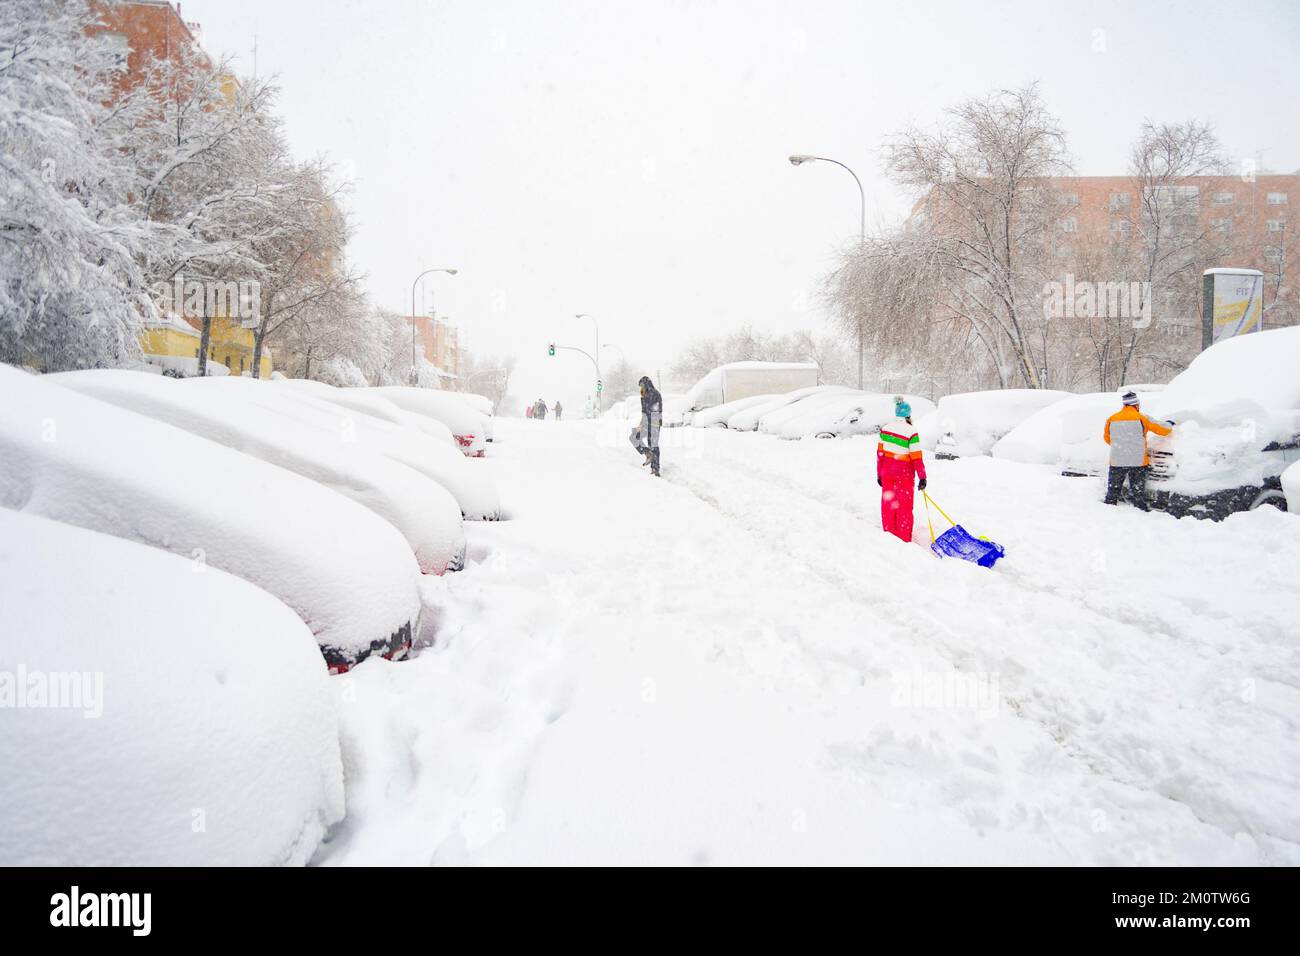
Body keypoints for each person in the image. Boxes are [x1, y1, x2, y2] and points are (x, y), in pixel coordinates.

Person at [1103, 390, 1173, 511]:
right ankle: (1139, 509)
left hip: (1117, 461)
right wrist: (1169, 424)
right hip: (1138, 461)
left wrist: (1121, 446)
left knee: (1112, 492)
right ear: (1136, 405)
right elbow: (1163, 430)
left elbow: (1107, 439)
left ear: (1124, 405)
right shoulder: (1142, 418)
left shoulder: (1111, 419)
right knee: (1137, 492)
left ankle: (1109, 507)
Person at [877, 396, 927, 543]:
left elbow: (880, 454)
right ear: (908, 415)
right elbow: (916, 457)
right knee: (904, 507)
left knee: (888, 505)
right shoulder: (911, 432)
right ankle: (903, 538)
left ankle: (889, 534)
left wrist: (879, 474)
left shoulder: (885, 430)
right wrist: (922, 477)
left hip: (887, 473)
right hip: (904, 475)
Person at [629, 375, 663, 476]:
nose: (641, 388)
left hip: (654, 423)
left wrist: (647, 423)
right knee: (634, 437)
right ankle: (648, 453)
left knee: (653, 445)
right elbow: (644, 412)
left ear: (647, 384)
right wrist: (641, 424)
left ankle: (655, 469)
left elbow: (654, 410)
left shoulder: (654, 394)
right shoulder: (645, 395)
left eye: (642, 385)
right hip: (646, 422)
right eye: (640, 386)